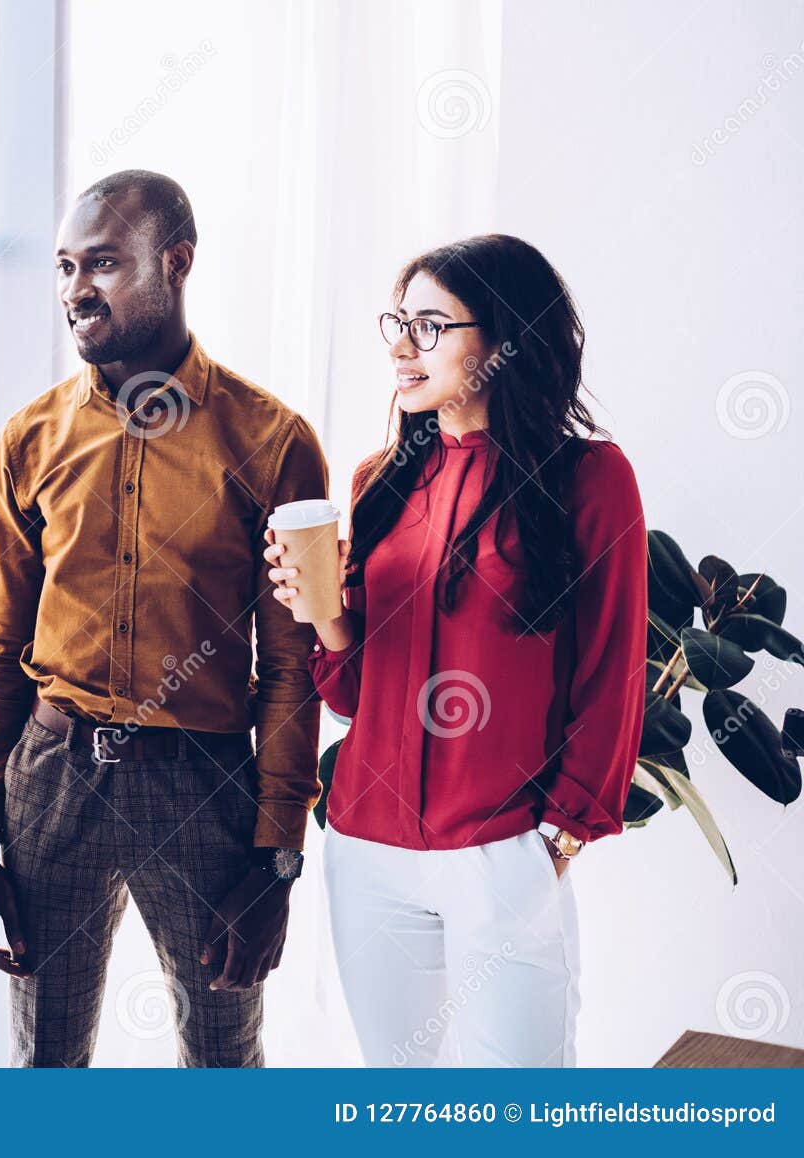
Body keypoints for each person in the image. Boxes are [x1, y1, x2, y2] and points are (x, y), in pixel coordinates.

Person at [0, 170, 329, 1067]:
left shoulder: (273, 442)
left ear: (177, 262)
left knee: (223, 1062)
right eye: (63, 267)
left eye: (103, 264)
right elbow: (0, 645)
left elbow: (289, 666)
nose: (75, 289)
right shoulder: (30, 440)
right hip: (51, 774)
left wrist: (277, 859)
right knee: (43, 1064)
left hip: (202, 783)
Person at [265, 234, 647, 1067]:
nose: (402, 347)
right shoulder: (378, 480)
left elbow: (612, 676)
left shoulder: (591, 480)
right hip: (366, 853)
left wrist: (556, 841)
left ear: (506, 340)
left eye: (430, 326)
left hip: (501, 850)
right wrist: (323, 614)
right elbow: (354, 695)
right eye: (397, 324)